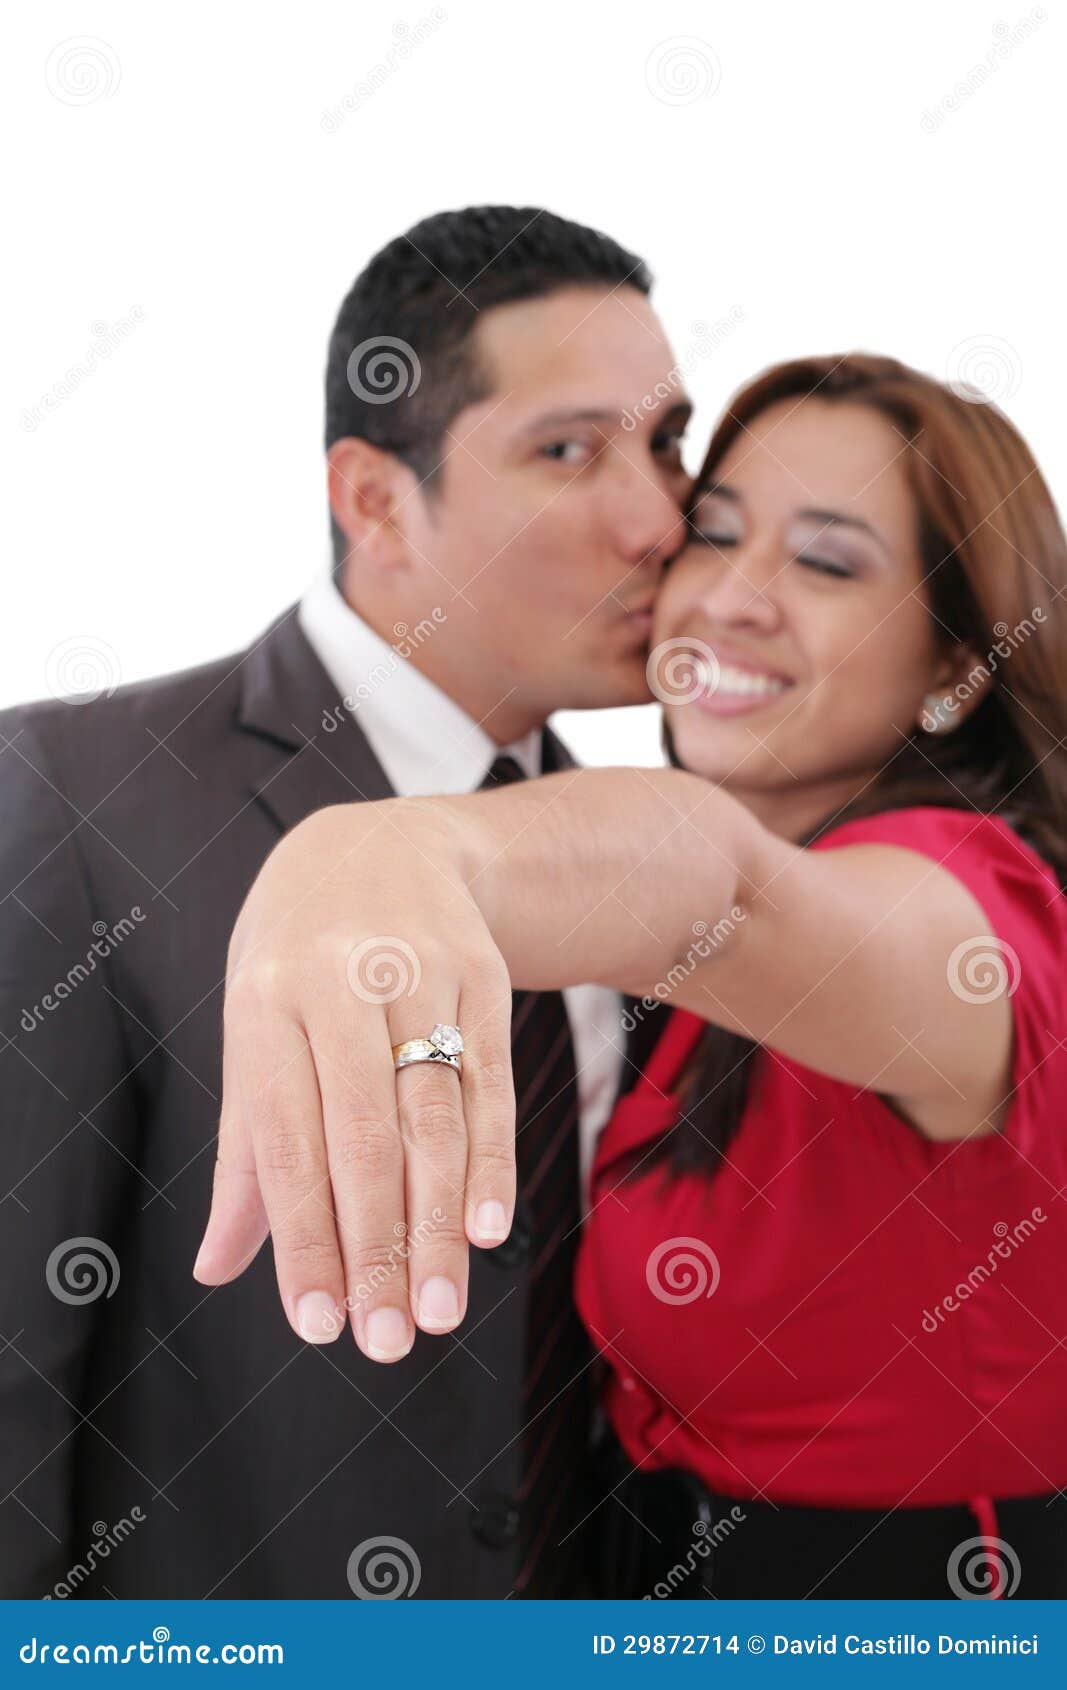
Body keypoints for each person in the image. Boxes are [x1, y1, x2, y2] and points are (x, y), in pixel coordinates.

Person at [206, 353, 1067, 1599]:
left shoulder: (973, 901)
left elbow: (710, 883)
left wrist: (400, 848)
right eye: (712, 536)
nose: (731, 596)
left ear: (951, 669)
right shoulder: (718, 980)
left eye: (826, 562)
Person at [0, 205, 691, 1598]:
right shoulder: (72, 797)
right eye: (569, 451)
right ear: (373, 498)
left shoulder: (646, 864)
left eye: (667, 444)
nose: (657, 519)